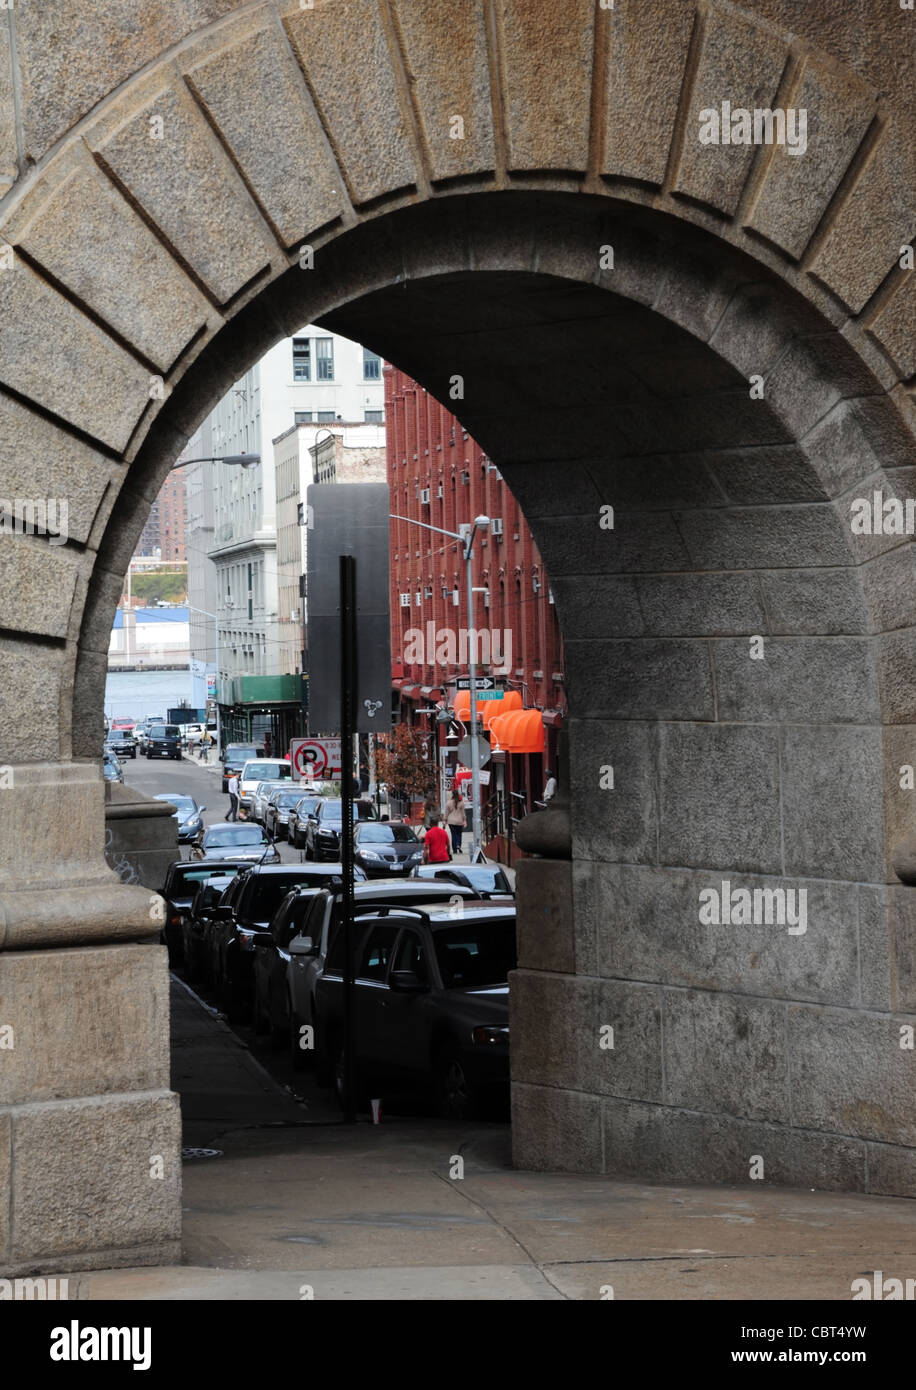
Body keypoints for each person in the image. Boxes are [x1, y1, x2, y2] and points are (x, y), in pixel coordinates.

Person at [445, 790, 467, 856]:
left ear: (452, 794)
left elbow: (446, 813)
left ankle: (454, 850)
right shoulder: (461, 803)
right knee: (459, 834)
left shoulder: (448, 802)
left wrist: (444, 820)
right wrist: (464, 820)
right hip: (459, 821)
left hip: (451, 821)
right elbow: (463, 813)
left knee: (453, 835)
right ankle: (458, 845)